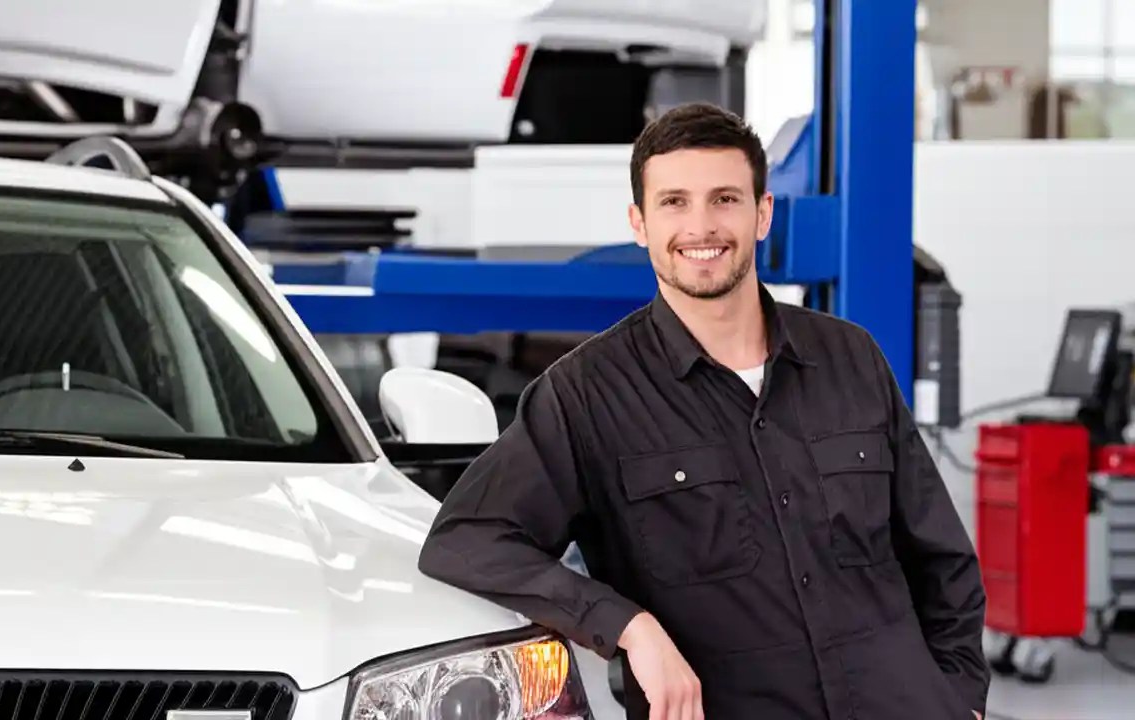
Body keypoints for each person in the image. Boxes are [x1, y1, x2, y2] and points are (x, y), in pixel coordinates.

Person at [418, 102, 988, 720]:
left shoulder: (851, 356)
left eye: (724, 199)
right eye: (674, 202)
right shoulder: (587, 394)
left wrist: (961, 699)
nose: (701, 226)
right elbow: (467, 540)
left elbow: (941, 559)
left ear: (761, 213)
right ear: (639, 222)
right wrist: (628, 627)